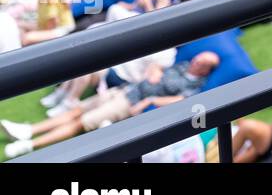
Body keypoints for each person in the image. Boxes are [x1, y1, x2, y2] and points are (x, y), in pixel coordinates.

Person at [1, 53, 220, 157]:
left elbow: (181, 101)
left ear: (205, 69)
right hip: (125, 89)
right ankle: (28, 130)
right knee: (77, 109)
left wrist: (150, 100)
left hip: (129, 104)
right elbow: (157, 67)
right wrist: (154, 70)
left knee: (81, 122)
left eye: (201, 62)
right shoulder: (182, 65)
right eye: (198, 58)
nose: (195, 60)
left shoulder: (194, 84)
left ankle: (31, 145)